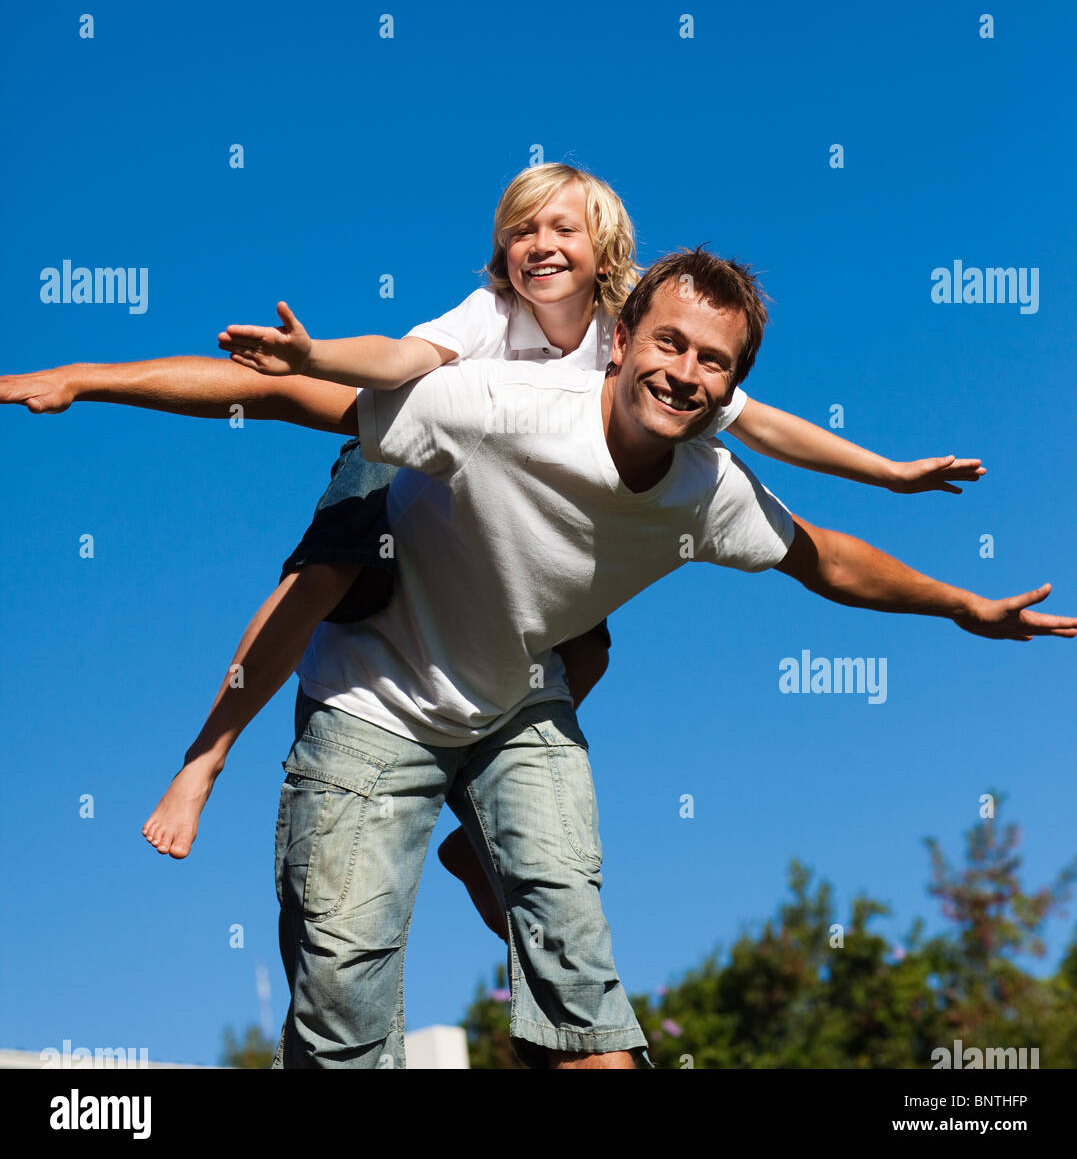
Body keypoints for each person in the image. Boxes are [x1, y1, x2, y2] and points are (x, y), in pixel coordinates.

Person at [2, 249, 1069, 1069]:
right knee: (344, 1017)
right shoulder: (500, 405)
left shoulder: (707, 487)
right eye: (670, 345)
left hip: (517, 712)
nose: (685, 374)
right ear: (622, 338)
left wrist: (963, 605)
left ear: (733, 384)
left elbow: (825, 558)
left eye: (714, 363)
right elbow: (287, 394)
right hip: (373, 708)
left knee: (585, 990)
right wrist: (86, 379)